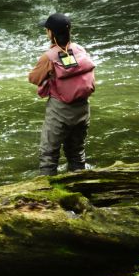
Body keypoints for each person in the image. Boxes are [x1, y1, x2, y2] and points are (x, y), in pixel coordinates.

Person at [27, 12, 96, 175]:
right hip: (83, 109)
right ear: (69, 31)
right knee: (77, 153)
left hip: (60, 111)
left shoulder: (49, 57)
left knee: (49, 155)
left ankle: (48, 188)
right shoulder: (80, 49)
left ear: (50, 33)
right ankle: (80, 184)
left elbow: (33, 78)